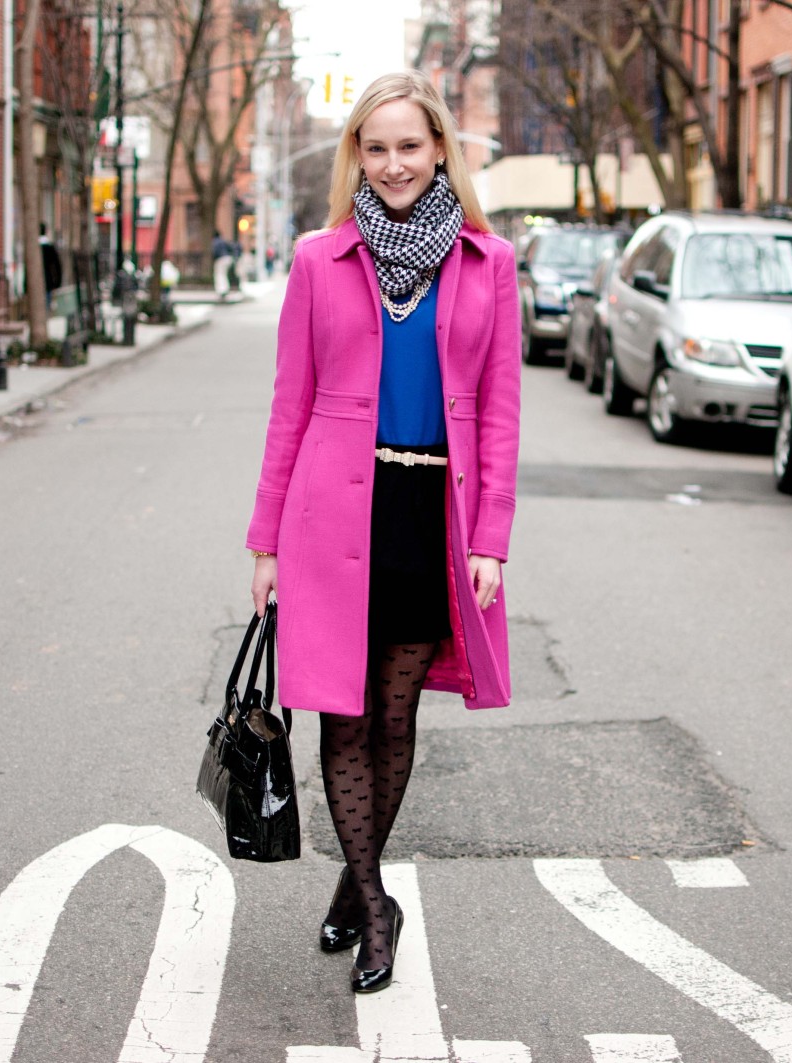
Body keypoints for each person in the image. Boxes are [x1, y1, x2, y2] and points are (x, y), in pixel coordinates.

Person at [245, 70, 521, 995]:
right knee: (343, 710)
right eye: (376, 147)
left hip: (427, 515)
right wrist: (265, 542)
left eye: (410, 145)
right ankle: (375, 906)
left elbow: (500, 409)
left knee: (394, 715)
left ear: (439, 148)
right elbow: (288, 405)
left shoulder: (490, 264)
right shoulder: (319, 259)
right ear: (354, 156)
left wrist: (491, 538)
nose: (394, 163)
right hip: (330, 515)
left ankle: (354, 882)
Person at [39, 224, 62, 309]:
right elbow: (57, 265)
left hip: (41, 281)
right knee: (46, 307)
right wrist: (57, 282)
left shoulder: (38, 247)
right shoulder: (49, 247)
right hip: (48, 281)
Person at [211, 231, 236, 300]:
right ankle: (225, 288)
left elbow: (215, 252)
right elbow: (232, 247)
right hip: (228, 258)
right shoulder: (224, 241)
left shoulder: (215, 242)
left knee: (219, 274)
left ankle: (222, 290)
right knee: (224, 274)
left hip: (220, 259)